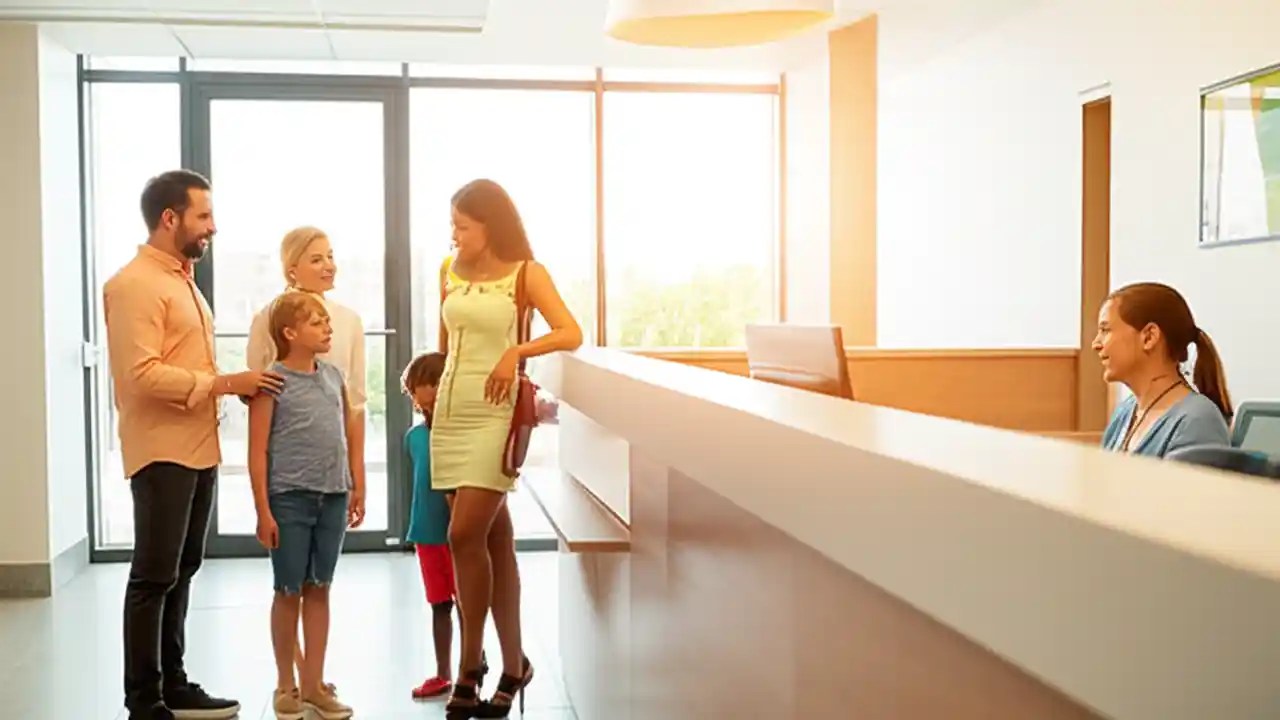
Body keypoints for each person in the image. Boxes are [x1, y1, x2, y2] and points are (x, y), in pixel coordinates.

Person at [104, 169, 284, 720]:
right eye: (203, 216)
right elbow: (140, 375)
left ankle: (174, 682)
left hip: (198, 448)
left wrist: (232, 385)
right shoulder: (135, 284)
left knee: (181, 569)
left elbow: (181, 363)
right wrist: (227, 384)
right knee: (153, 575)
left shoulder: (180, 279)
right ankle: (144, 698)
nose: (212, 227)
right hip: (162, 450)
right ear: (169, 218)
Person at [433, 179, 583, 719]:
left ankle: (469, 667)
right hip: (449, 415)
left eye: (462, 225)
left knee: (463, 534)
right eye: (452, 224)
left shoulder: (526, 274)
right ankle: (515, 665)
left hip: (496, 415)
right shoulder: (447, 273)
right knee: (493, 541)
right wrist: (429, 411)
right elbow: (445, 348)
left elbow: (570, 331)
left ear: (489, 225)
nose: (454, 234)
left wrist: (516, 350)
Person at [246, 225, 367, 696]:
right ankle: (291, 678)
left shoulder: (349, 322)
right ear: (291, 267)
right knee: (290, 584)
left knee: (320, 583)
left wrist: (357, 476)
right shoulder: (268, 318)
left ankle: (310, 679)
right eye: (316, 258)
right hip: (289, 482)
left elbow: (353, 406)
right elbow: (261, 397)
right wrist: (264, 500)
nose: (328, 265)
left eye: (331, 255)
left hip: (331, 478)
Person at [402, 351, 476, 700]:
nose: (425, 392)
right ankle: (443, 672)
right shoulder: (414, 438)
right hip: (426, 533)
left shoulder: (463, 433)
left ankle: (471, 663)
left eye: (432, 383)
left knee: (467, 603)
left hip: (459, 533)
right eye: (418, 387)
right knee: (439, 604)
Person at [1093, 282, 1232, 458]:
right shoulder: (1125, 411)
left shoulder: (1197, 421)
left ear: (1149, 337)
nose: (1096, 344)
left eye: (1105, 330)